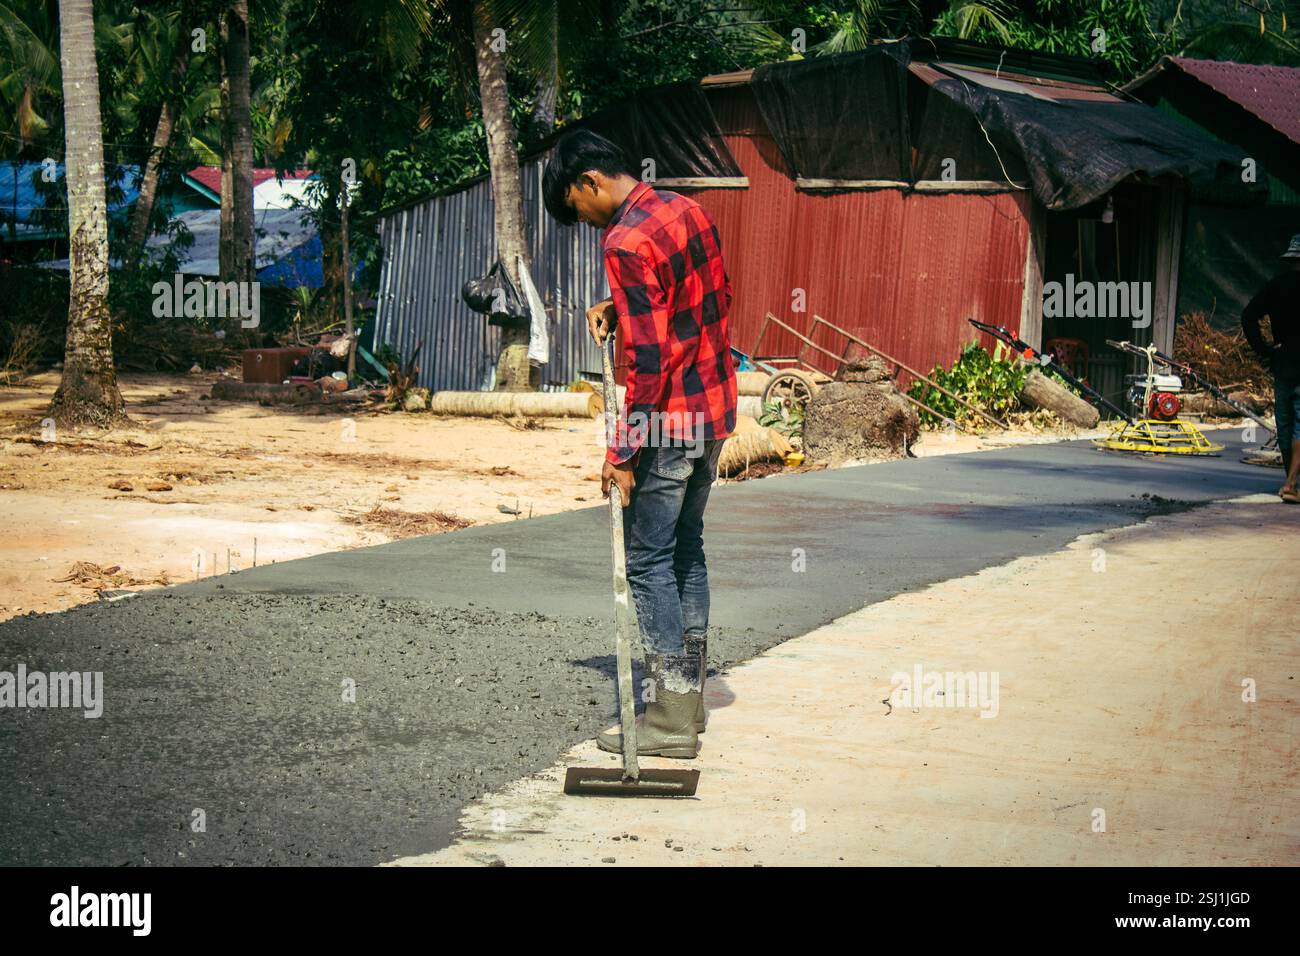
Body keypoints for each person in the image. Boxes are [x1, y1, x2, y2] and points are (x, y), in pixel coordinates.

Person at [543, 129, 738, 756]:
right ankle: (692, 704)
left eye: (577, 207)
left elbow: (650, 366)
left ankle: (669, 723)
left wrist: (622, 452)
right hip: (713, 414)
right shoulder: (689, 210)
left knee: (649, 560)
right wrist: (622, 308)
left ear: (589, 183)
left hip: (667, 423)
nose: (584, 218)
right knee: (687, 548)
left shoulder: (625, 242)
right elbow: (703, 302)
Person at [1241, 234, 1300, 503]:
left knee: (1285, 423)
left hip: (1284, 362)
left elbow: (1248, 316)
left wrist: (1264, 350)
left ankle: (1292, 482)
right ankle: (1291, 484)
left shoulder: (1277, 286)